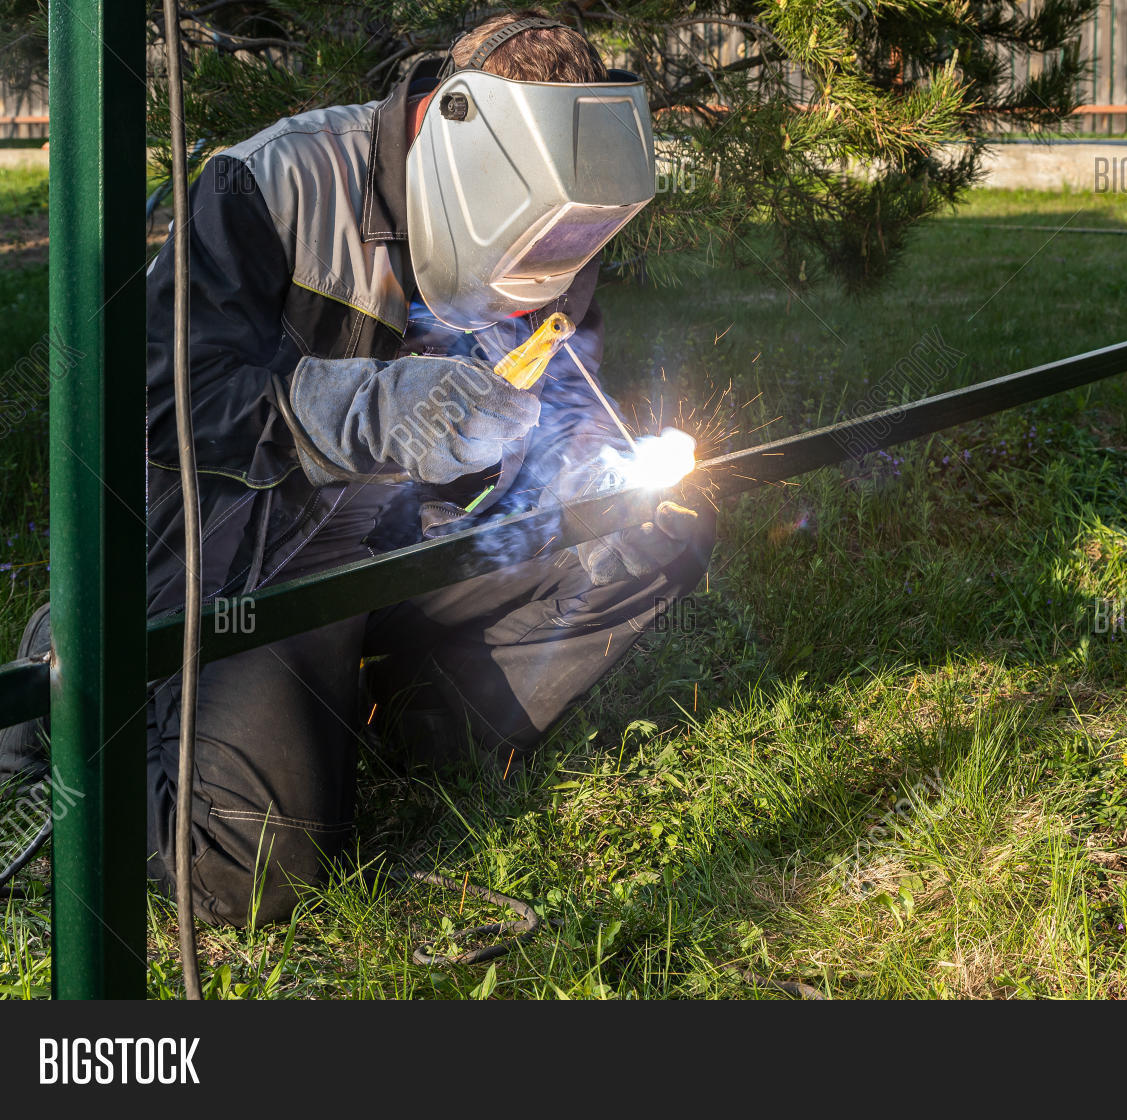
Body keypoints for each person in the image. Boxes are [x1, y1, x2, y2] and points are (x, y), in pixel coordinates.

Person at [0, 11, 713, 926]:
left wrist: (574, 482)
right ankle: (67, 705)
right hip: (248, 567)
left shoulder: (558, 217)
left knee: (654, 529)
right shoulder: (276, 183)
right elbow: (157, 399)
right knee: (249, 874)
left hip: (407, 546)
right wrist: (351, 414)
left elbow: (564, 402)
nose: (549, 276)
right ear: (450, 142)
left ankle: (423, 728)